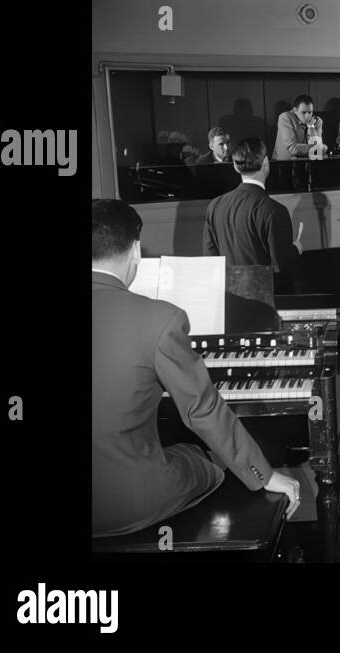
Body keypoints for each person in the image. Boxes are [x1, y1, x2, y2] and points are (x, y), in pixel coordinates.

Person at [92, 199, 300, 537]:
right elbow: (202, 409)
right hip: (126, 504)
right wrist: (264, 473)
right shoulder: (159, 318)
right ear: (135, 251)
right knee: (203, 458)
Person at [203, 138, 303, 294]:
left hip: (229, 301)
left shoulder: (215, 206)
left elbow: (211, 259)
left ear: (236, 166)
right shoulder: (274, 210)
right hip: (265, 303)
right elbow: (281, 266)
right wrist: (295, 249)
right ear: (265, 163)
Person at [273, 94, 325, 160]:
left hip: (308, 164)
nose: (307, 116)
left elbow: (318, 151)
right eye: (303, 112)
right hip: (284, 164)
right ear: (295, 110)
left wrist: (311, 127)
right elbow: (293, 148)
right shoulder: (285, 117)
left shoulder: (317, 121)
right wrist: (317, 148)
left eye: (310, 112)